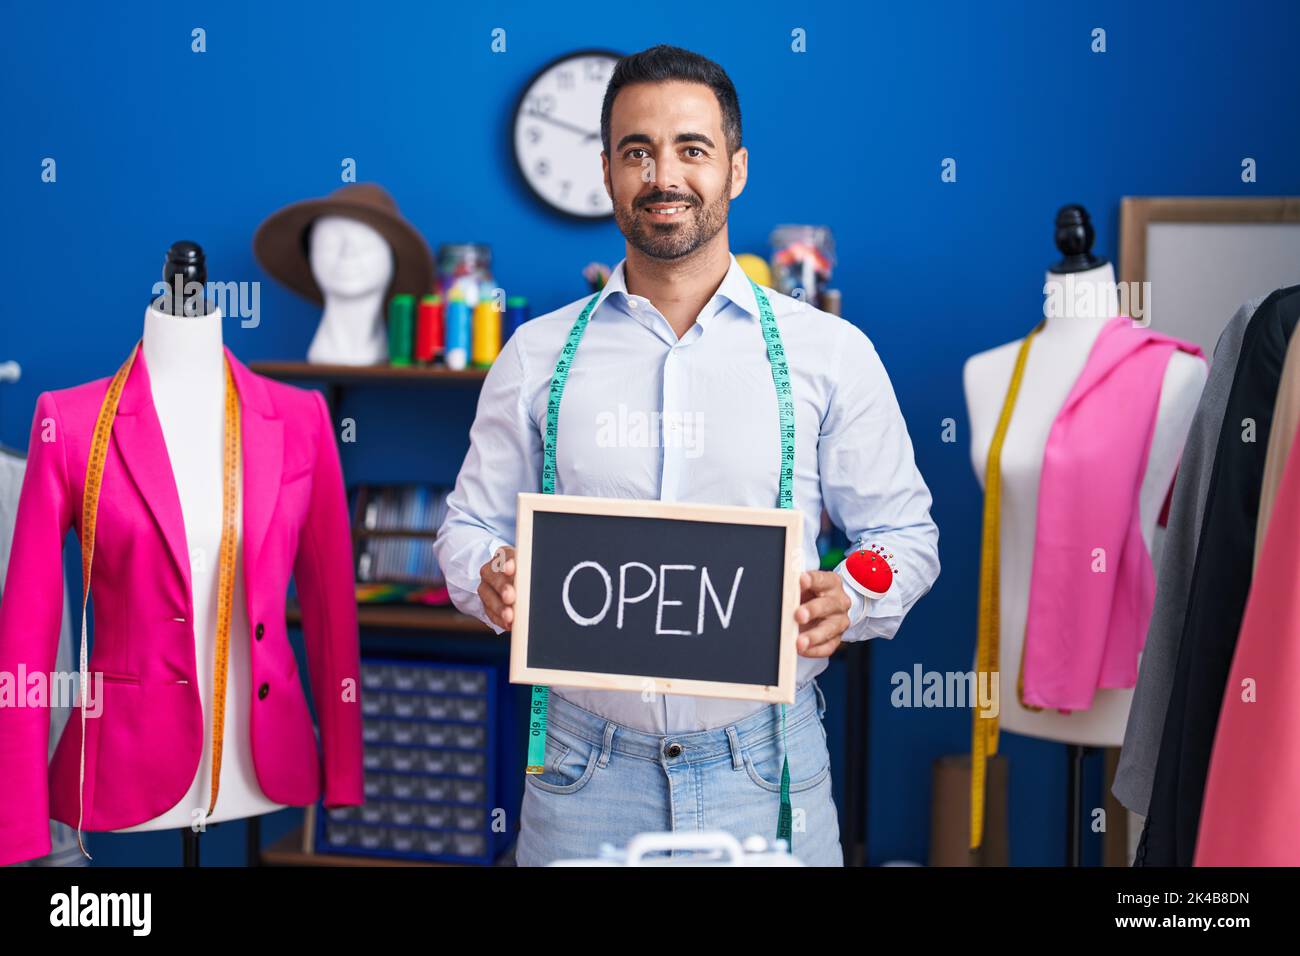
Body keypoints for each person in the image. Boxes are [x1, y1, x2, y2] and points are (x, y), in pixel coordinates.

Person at [434, 44, 940, 866]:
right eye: (638, 150)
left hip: (766, 770)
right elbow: (464, 528)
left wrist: (851, 596)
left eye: (691, 149)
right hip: (580, 776)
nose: (663, 174)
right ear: (607, 172)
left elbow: (905, 539)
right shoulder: (534, 356)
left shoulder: (831, 354)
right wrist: (488, 574)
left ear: (736, 169)